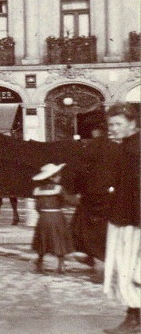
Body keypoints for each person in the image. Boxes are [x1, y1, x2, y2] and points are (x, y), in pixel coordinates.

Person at [102, 102, 140, 333]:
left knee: (128, 268)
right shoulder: (128, 147)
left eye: (117, 124)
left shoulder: (133, 151)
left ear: (132, 124)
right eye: (110, 125)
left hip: (131, 221)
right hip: (126, 217)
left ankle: (133, 319)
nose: (112, 129)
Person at [72, 124, 117, 273]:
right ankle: (104, 254)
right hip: (111, 193)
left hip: (90, 193)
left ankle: (91, 253)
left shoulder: (88, 147)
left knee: (85, 223)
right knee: (106, 224)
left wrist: (77, 190)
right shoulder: (115, 147)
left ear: (94, 131)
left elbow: (80, 171)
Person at [31, 163, 73, 274]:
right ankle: (61, 264)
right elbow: (69, 200)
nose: (60, 177)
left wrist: (43, 213)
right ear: (52, 177)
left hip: (43, 218)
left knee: (42, 240)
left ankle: (40, 263)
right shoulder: (59, 189)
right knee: (59, 240)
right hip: (57, 217)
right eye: (58, 175)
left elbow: (37, 207)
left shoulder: (37, 190)